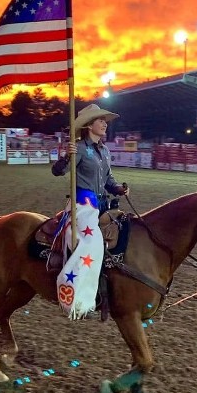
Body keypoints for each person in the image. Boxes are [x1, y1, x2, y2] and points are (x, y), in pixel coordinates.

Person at [51, 104, 129, 319]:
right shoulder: (79, 148)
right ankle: (78, 296)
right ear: (88, 125)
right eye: (100, 120)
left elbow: (109, 181)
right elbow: (58, 172)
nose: (105, 123)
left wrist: (120, 189)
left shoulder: (104, 150)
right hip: (83, 207)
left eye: (105, 120)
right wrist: (67, 156)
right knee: (92, 243)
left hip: (103, 206)